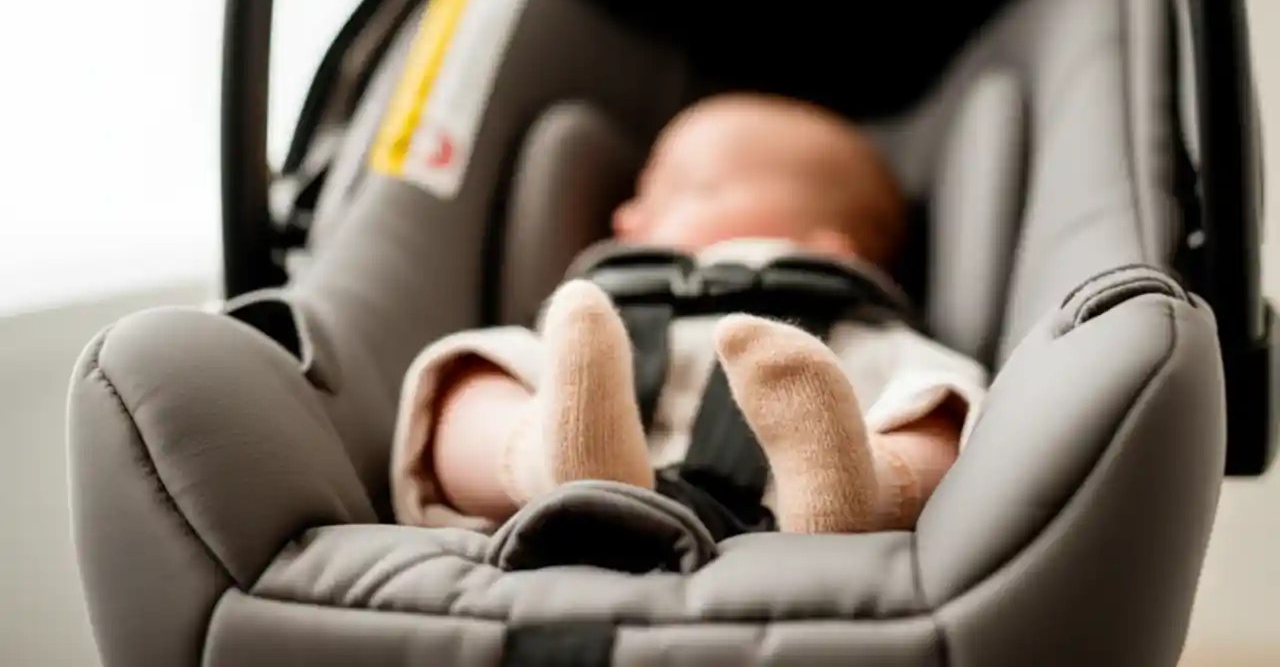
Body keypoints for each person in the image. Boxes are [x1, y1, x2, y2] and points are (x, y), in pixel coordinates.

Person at [390, 93, 987, 536]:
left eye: (691, 191)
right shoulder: (598, 310)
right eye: (640, 196)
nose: (625, 218)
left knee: (941, 413)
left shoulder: (869, 333)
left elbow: (949, 407)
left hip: (812, 449)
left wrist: (894, 449)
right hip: (590, 385)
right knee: (472, 376)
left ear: (829, 249)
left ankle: (864, 488)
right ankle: (543, 456)